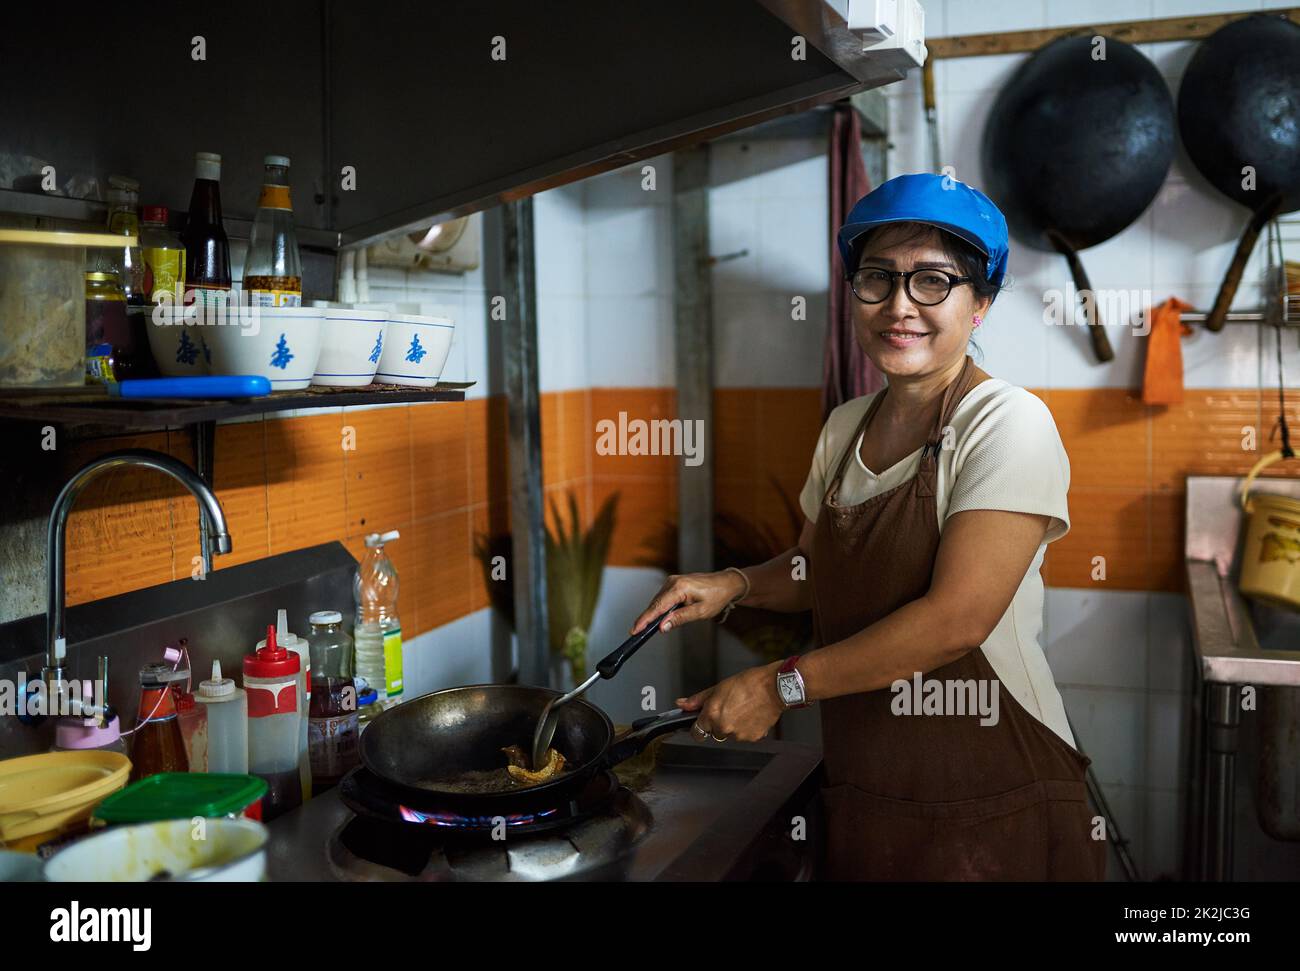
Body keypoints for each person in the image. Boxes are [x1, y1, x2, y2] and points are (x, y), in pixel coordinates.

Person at [631, 173, 1104, 881]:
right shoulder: (846, 428)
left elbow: (956, 621)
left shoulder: (1008, 423)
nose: (900, 306)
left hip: (994, 790)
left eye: (933, 282)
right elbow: (812, 572)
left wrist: (779, 686)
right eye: (877, 278)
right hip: (872, 794)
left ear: (981, 303)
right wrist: (731, 585)